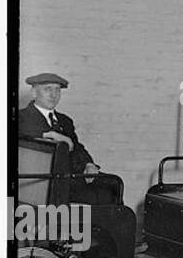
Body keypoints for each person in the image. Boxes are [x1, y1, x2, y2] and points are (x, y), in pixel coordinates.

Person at [18, 72, 122, 206]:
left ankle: (105, 227)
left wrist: (89, 164)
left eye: (57, 90)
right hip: (44, 181)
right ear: (34, 93)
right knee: (99, 195)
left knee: (113, 185)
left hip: (72, 177)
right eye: (47, 89)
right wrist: (49, 134)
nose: (53, 95)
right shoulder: (22, 116)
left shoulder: (65, 120)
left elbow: (77, 146)